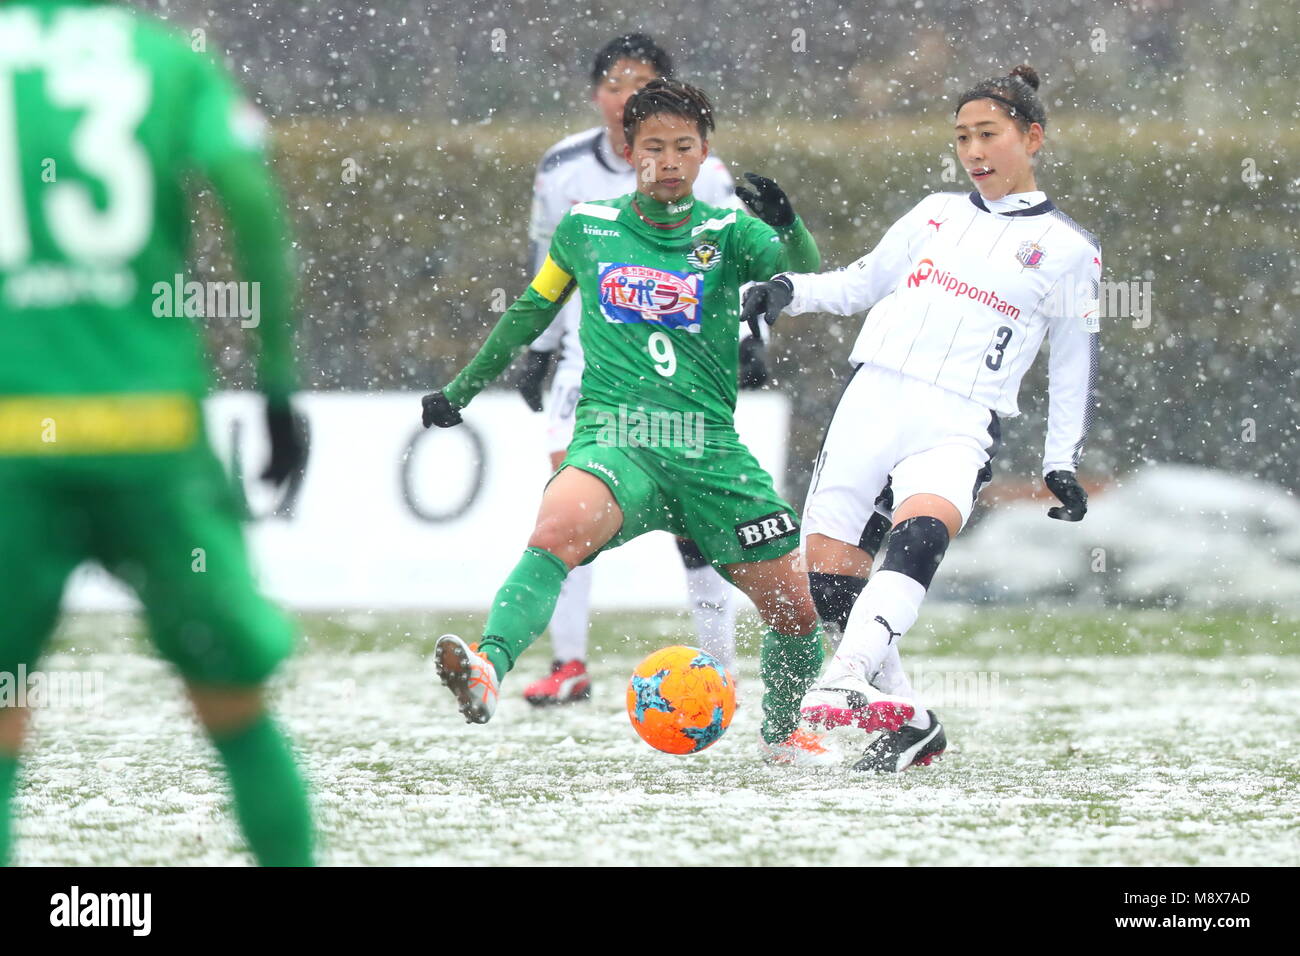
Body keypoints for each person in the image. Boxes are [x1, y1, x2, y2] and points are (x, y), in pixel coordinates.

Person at [422, 79, 871, 765]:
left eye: (683, 147)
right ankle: (486, 667)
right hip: (617, 438)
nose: (668, 160)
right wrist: (461, 391)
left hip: (709, 450)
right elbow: (530, 312)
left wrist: (789, 226)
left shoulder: (730, 233)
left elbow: (806, 278)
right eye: (654, 146)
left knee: (796, 612)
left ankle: (784, 736)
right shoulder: (586, 229)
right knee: (555, 529)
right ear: (630, 150)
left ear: (703, 154)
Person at [0, 0, 313, 864]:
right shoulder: (161, 57)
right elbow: (248, 195)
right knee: (236, 709)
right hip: (152, 432)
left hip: (9, 440)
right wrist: (277, 378)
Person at [742, 65, 1100, 772]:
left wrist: (1061, 458)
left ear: (1033, 137)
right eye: (963, 136)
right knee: (830, 578)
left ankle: (845, 676)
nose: (973, 149)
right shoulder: (935, 212)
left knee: (921, 534)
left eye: (988, 134)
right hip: (872, 397)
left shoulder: (1068, 250)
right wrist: (788, 289)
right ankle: (911, 722)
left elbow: (1072, 361)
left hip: (960, 416)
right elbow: (861, 283)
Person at [513, 35, 796, 704]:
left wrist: (748, 341)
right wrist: (540, 346)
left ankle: (718, 663)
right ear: (595, 94)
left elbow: (738, 268)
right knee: (570, 500)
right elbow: (543, 268)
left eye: (639, 82)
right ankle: (568, 664)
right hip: (593, 362)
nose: (624, 95)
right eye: (614, 82)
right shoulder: (562, 170)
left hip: (683, 369)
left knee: (692, 521)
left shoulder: (708, 173)